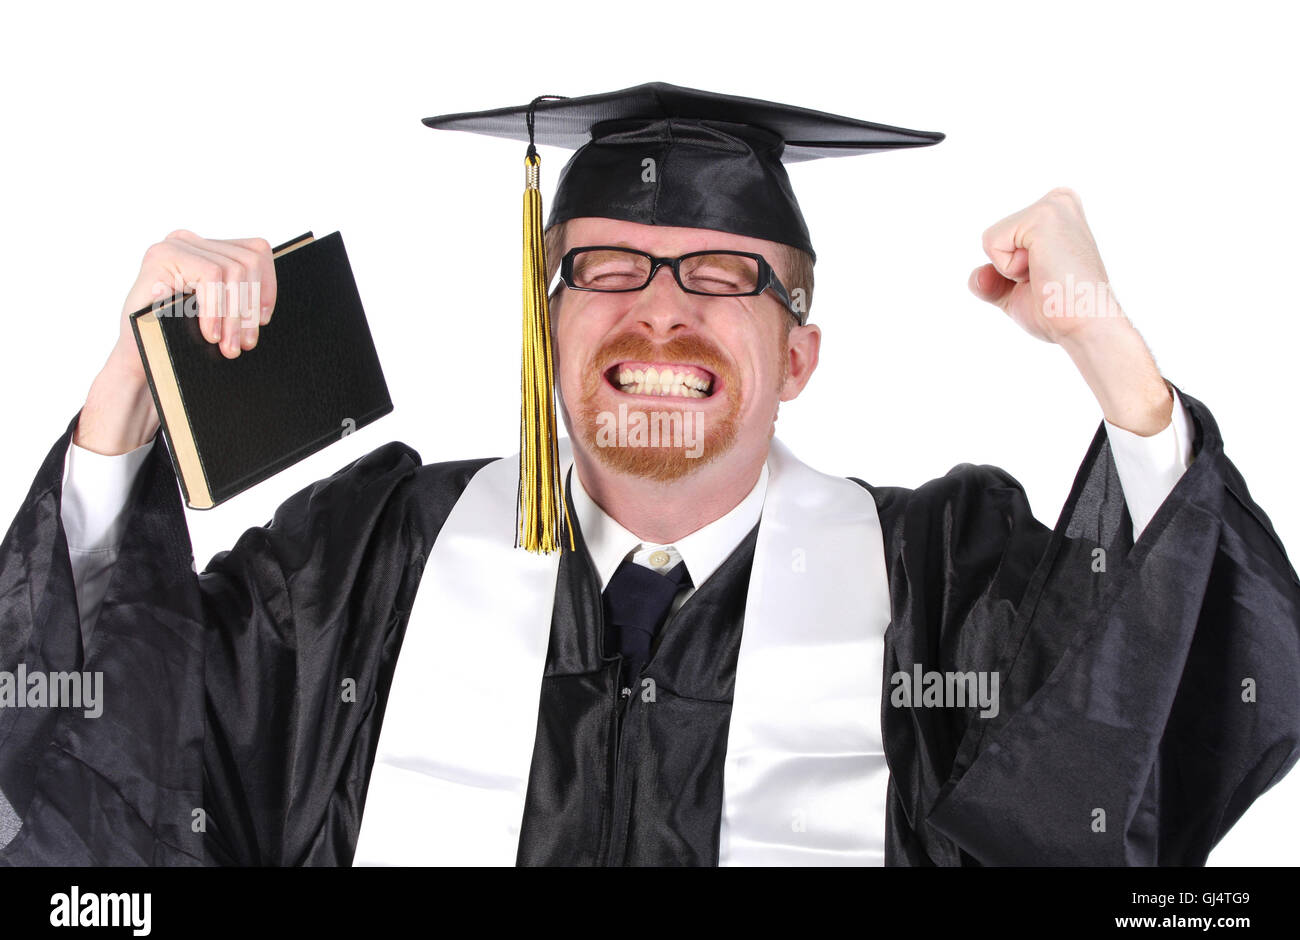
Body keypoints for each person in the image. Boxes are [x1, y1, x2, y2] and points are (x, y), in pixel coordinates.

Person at [0, 83, 1296, 866]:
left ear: (801, 354)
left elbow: (1140, 737)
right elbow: (108, 751)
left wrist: (1107, 343)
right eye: (607, 267)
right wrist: (127, 399)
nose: (659, 317)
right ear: (547, 326)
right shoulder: (369, 564)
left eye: (725, 275)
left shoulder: (943, 585)